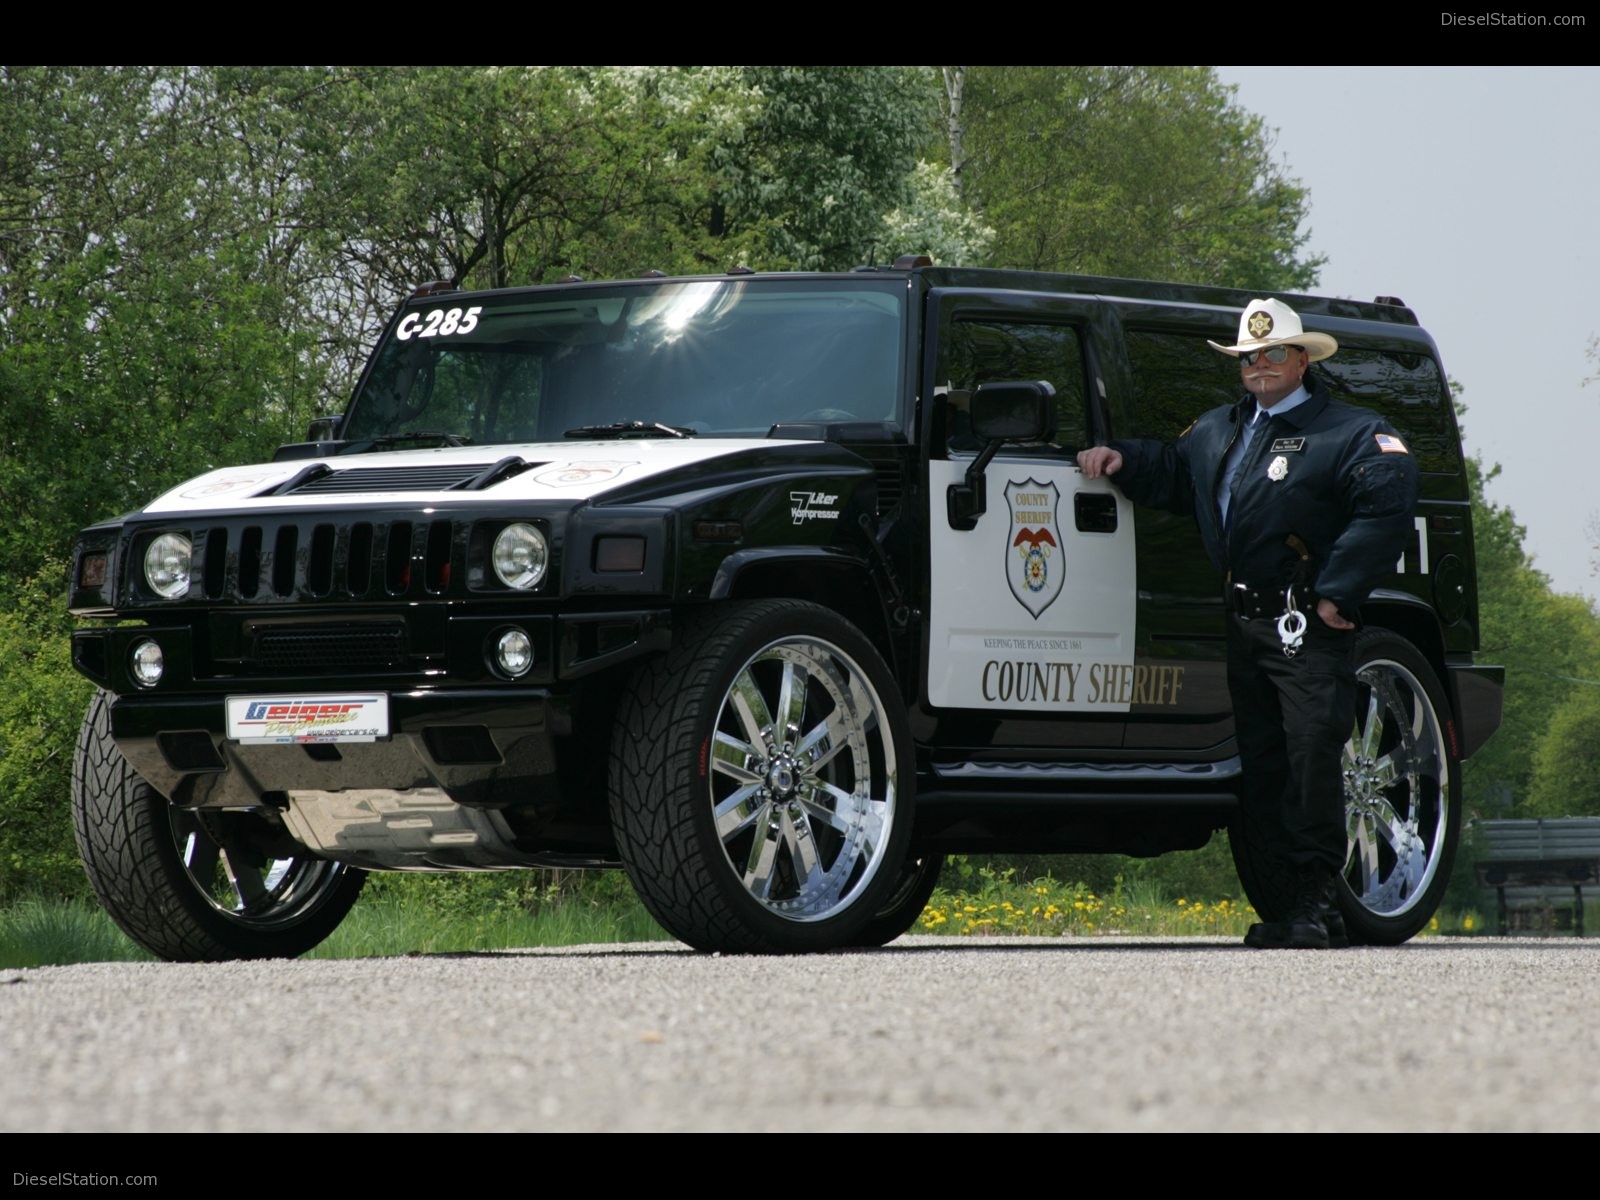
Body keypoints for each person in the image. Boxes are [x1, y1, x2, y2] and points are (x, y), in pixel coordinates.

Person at [1077, 298, 1420, 949]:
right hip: (1243, 626)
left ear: (1301, 359)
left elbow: (1385, 511)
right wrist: (1118, 460)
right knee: (1262, 767)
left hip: (1308, 624)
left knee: (1311, 755)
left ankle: (1319, 899)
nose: (1259, 367)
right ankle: (1288, 906)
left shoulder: (1349, 431)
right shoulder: (1216, 430)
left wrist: (1338, 594)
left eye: (1271, 355)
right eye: (1248, 358)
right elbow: (1178, 475)